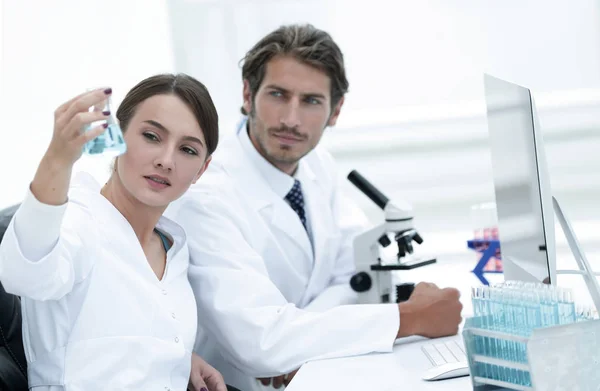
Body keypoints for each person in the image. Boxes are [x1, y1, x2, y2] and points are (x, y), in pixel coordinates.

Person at [166, 24, 463, 390]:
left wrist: (297, 345)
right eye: (277, 94)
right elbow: (259, 343)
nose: (291, 119)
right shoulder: (204, 195)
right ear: (248, 94)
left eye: (311, 101)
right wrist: (411, 317)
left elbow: (352, 273)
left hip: (307, 373)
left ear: (335, 111)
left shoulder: (317, 164)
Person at [0, 74, 228, 391]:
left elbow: (116, 336)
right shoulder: (80, 221)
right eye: (151, 136)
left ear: (201, 169)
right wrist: (58, 158)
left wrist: (176, 357)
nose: (166, 161)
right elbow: (24, 274)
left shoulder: (172, 244)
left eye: (188, 150)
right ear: (116, 134)